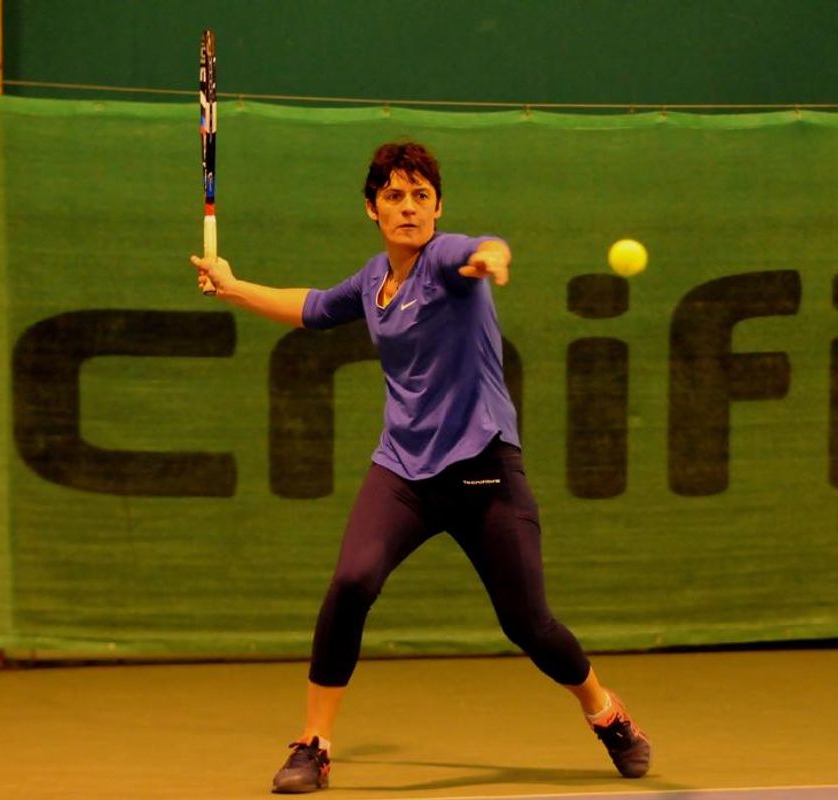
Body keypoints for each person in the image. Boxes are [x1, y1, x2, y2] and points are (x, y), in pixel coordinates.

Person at [190, 141, 650, 793]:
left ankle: (606, 713)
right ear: (372, 209)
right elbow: (315, 308)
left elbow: (478, 247)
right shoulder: (375, 281)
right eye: (394, 196)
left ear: (438, 208)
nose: (409, 208)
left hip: (484, 470)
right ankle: (314, 744)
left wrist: (492, 255)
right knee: (351, 582)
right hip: (404, 472)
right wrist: (233, 288)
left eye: (421, 196)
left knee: (529, 624)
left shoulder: (444, 262)